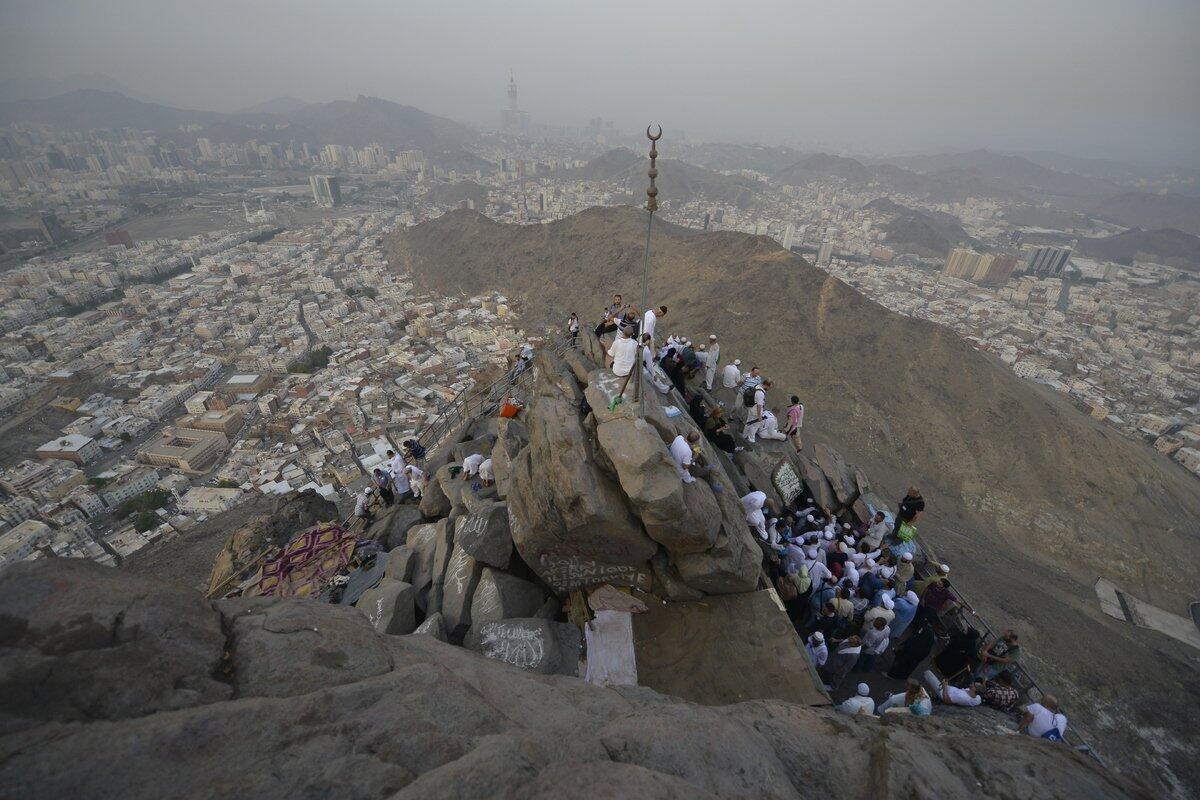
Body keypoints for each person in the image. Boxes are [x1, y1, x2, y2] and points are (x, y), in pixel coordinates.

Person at [743, 379, 770, 443]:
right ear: (766, 385)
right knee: (755, 425)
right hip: (756, 411)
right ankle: (751, 438)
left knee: (749, 422)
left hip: (751, 408)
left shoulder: (757, 386)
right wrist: (759, 416)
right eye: (769, 387)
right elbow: (759, 406)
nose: (769, 389)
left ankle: (744, 435)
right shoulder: (761, 394)